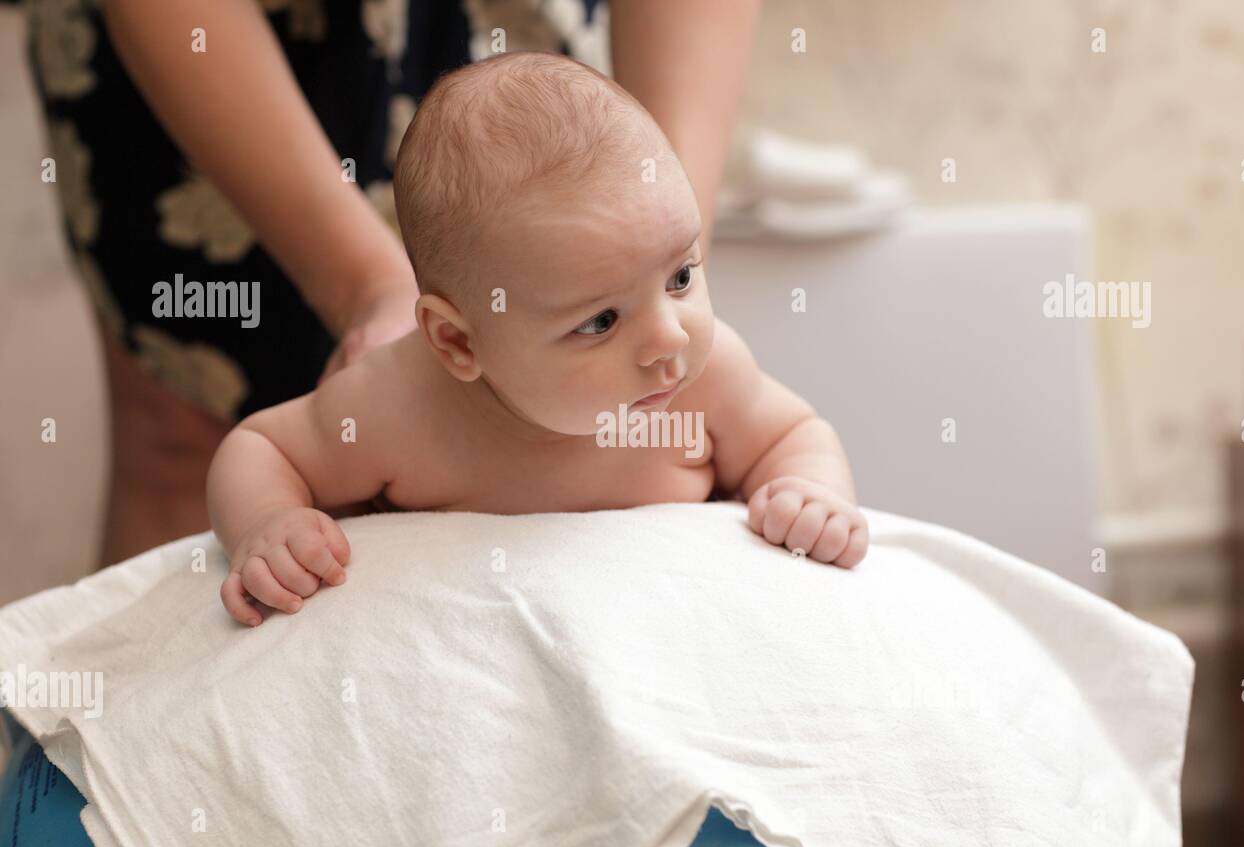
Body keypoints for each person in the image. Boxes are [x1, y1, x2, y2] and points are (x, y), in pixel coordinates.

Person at [13, 0, 758, 567]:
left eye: (682, 279)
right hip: (230, 41)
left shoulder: (706, 369)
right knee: (179, 427)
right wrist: (268, 526)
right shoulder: (399, 406)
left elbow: (793, 438)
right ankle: (131, 754)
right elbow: (261, 450)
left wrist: (804, 491)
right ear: (455, 341)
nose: (669, 335)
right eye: (598, 321)